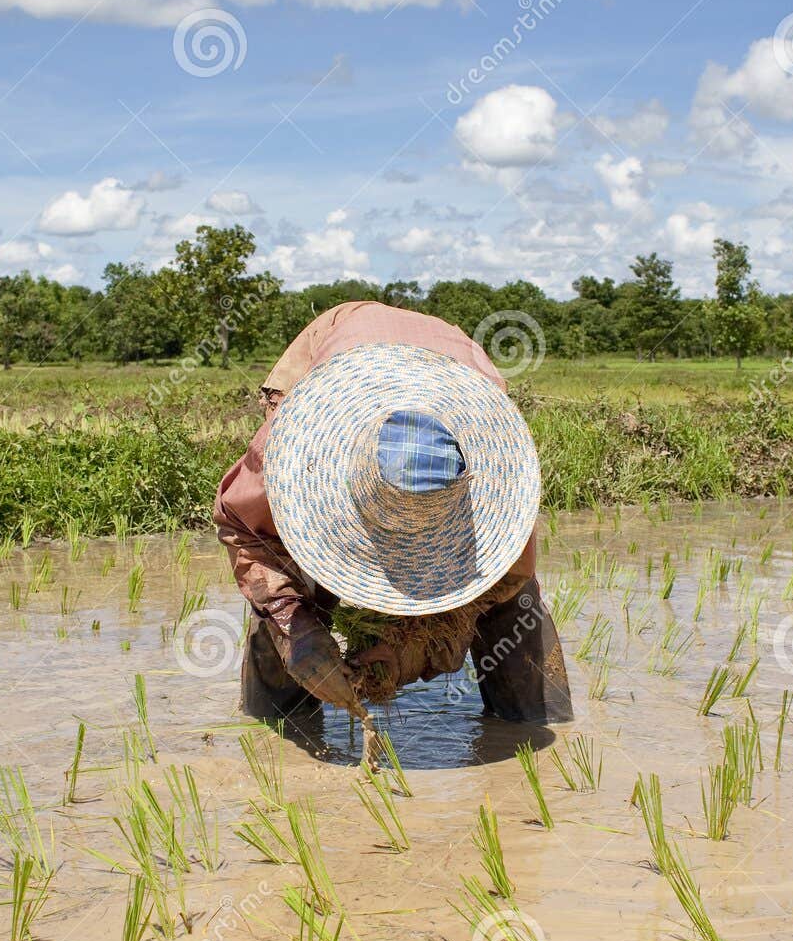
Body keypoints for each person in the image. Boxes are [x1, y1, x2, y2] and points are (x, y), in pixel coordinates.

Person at [212, 300, 572, 740]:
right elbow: (246, 531)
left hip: (457, 359)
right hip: (330, 349)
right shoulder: (287, 452)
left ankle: (533, 722)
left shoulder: (495, 473)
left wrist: (416, 647)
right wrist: (296, 628)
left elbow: (503, 582)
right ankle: (281, 725)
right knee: (294, 583)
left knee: (512, 607)